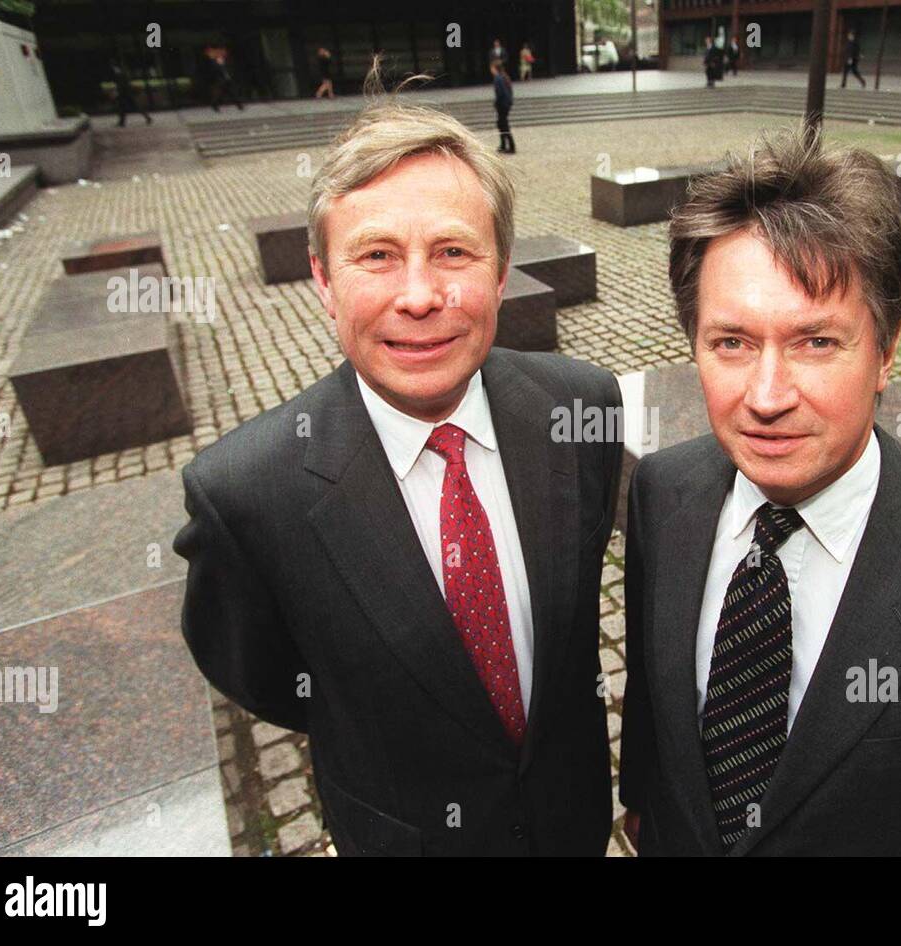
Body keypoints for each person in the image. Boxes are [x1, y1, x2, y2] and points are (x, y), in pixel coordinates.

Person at [618, 125, 901, 856]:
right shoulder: (658, 489)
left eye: (817, 342)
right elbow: (654, 698)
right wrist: (642, 803)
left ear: (887, 351)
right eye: (732, 342)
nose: (767, 396)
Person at [174, 101, 622, 856]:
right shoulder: (246, 494)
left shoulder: (581, 408)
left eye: (453, 252)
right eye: (376, 256)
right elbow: (267, 678)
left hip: (572, 821)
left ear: (503, 270)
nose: (419, 296)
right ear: (322, 278)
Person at [109, 57, 151, 127]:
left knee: (125, 106)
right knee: (126, 106)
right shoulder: (120, 69)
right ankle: (122, 122)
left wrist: (118, 91)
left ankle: (122, 122)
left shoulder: (117, 70)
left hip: (124, 91)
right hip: (125, 91)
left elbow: (121, 82)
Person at [205, 45, 244, 111]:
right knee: (218, 94)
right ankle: (215, 106)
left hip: (228, 79)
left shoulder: (227, 61)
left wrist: (231, 75)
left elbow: (231, 68)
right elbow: (213, 71)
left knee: (233, 92)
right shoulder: (213, 62)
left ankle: (239, 105)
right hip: (220, 80)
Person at [492, 62, 515, 154]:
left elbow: (500, 93)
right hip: (506, 104)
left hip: (502, 105)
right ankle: (503, 145)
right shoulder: (504, 77)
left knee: (503, 125)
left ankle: (510, 146)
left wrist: (496, 103)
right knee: (501, 124)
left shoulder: (498, 78)